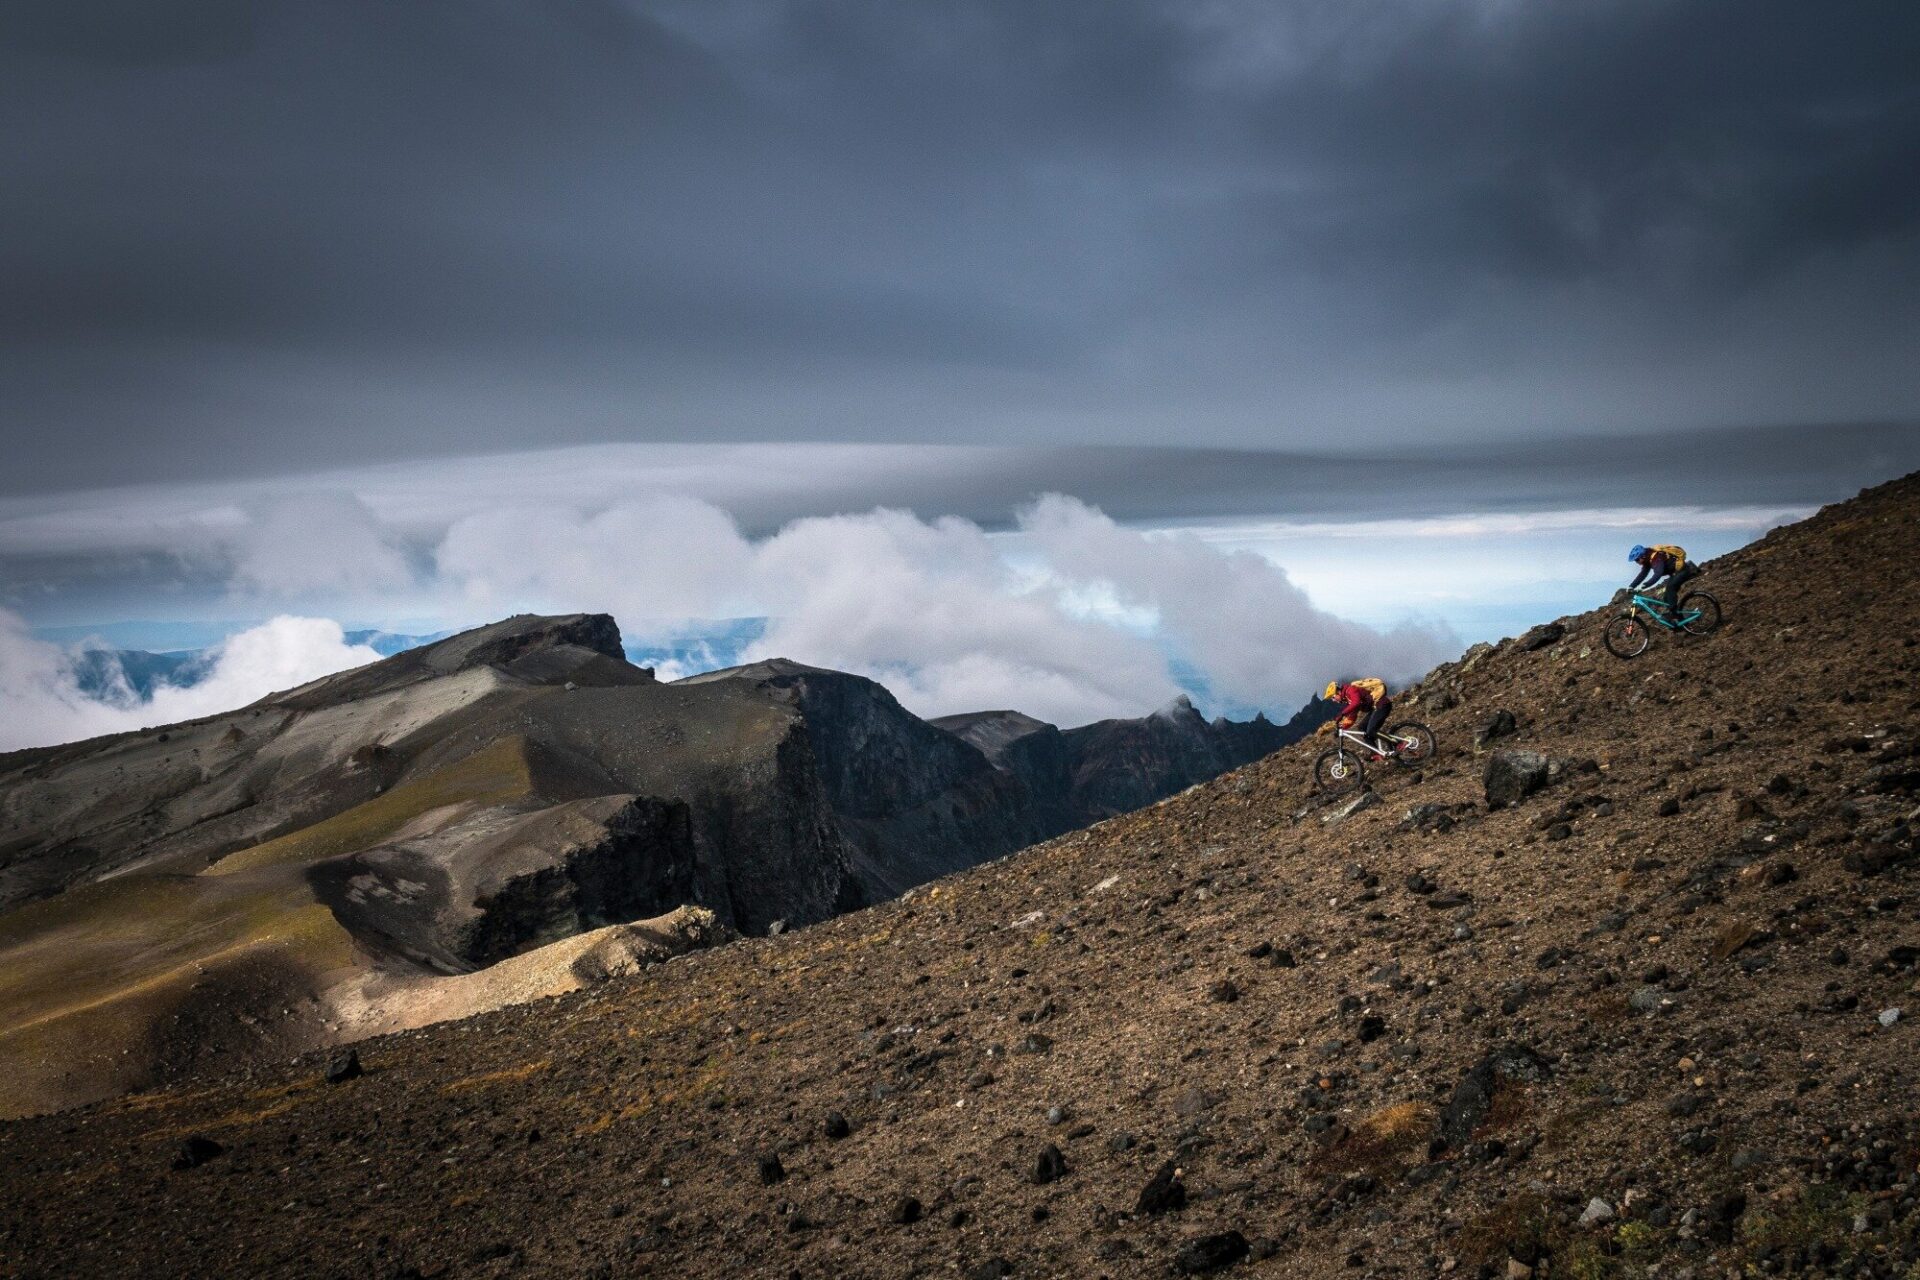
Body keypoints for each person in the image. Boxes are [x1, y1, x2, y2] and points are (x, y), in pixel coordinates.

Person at [1323, 677, 1392, 759]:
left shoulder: (1351, 690)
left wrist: (1342, 714)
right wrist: (1341, 728)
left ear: (1337, 692)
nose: (1333, 700)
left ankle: (1398, 743)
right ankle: (1375, 752)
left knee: (1371, 730)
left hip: (1382, 705)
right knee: (1362, 728)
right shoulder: (1348, 699)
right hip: (1376, 708)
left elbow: (1356, 702)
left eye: (1333, 697)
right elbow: (1352, 717)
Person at [1627, 543, 1701, 612]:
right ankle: (1680, 618)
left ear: (1643, 556)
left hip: (1683, 571)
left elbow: (1657, 574)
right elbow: (1642, 574)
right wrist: (1631, 586)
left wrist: (1644, 585)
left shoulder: (1656, 557)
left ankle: (1676, 616)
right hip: (1675, 573)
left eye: (1637, 560)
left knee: (1671, 588)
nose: (1637, 562)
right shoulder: (1647, 560)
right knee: (1666, 598)